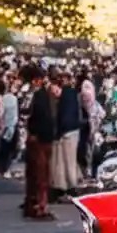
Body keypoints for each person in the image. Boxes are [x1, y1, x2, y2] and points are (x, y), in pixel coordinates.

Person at [23, 66, 57, 220]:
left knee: (37, 173)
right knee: (40, 174)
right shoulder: (41, 95)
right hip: (42, 138)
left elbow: (29, 115)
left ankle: (36, 204)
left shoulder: (34, 95)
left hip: (37, 138)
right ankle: (38, 204)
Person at [51, 72, 82, 200]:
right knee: (68, 160)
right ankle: (69, 185)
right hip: (71, 131)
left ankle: (71, 186)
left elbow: (65, 116)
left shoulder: (67, 95)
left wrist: (59, 132)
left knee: (67, 161)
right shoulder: (71, 93)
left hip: (68, 132)